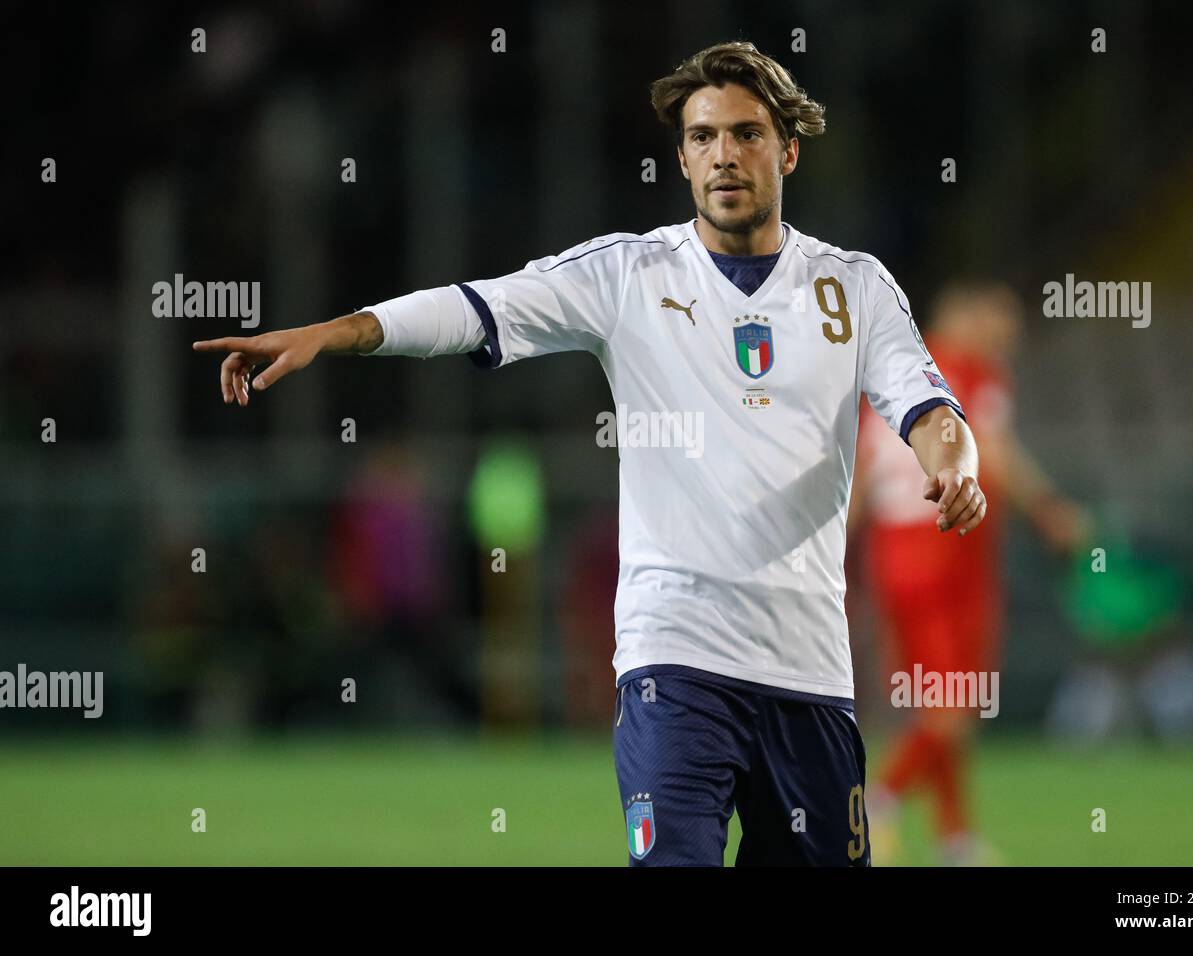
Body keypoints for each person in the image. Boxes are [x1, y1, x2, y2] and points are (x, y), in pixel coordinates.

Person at [193, 41, 987, 867]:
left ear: (787, 149)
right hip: (675, 663)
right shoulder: (627, 275)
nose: (725, 154)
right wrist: (335, 333)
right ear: (681, 157)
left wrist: (955, 462)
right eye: (704, 136)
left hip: (809, 673)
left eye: (747, 134)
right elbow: (474, 308)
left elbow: (929, 406)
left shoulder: (853, 286)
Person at [848, 280, 1088, 865]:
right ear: (966, 314)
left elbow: (857, 472)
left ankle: (955, 838)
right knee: (956, 704)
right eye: (1001, 322)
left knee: (939, 703)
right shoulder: (972, 373)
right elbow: (996, 454)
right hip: (947, 557)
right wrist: (1051, 511)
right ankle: (876, 801)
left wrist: (834, 549)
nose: (1008, 336)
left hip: (893, 556)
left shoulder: (889, 372)